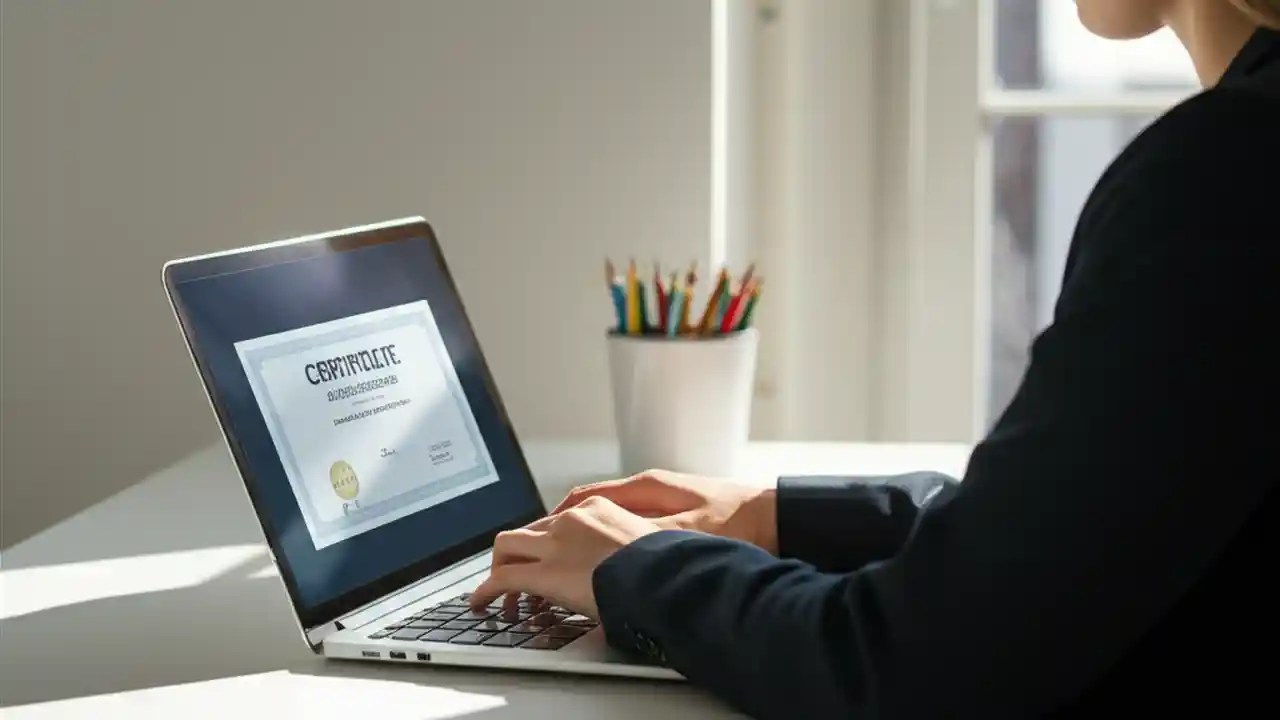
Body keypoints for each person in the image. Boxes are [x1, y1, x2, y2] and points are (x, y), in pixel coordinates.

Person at [470, 1, 1279, 716]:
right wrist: (777, 517)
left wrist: (641, 570)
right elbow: (1085, 531)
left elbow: (911, 668)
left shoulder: (1223, 175)